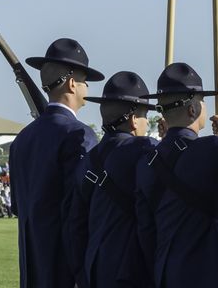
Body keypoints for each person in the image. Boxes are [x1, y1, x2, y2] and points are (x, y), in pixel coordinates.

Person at [9, 38, 104, 288]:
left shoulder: (22, 139)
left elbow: (18, 206)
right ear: (73, 83)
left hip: (33, 267)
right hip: (67, 267)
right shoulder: (79, 135)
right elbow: (84, 207)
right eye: (85, 81)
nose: (86, 88)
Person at [135, 63, 218, 288]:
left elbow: (145, 229)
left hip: (165, 272)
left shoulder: (148, 161)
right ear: (193, 110)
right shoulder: (212, 149)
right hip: (207, 272)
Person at [68, 71, 159, 288]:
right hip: (133, 269)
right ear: (134, 119)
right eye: (145, 115)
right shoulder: (146, 151)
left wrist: (83, 273)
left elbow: (74, 225)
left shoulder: (88, 160)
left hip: (95, 268)